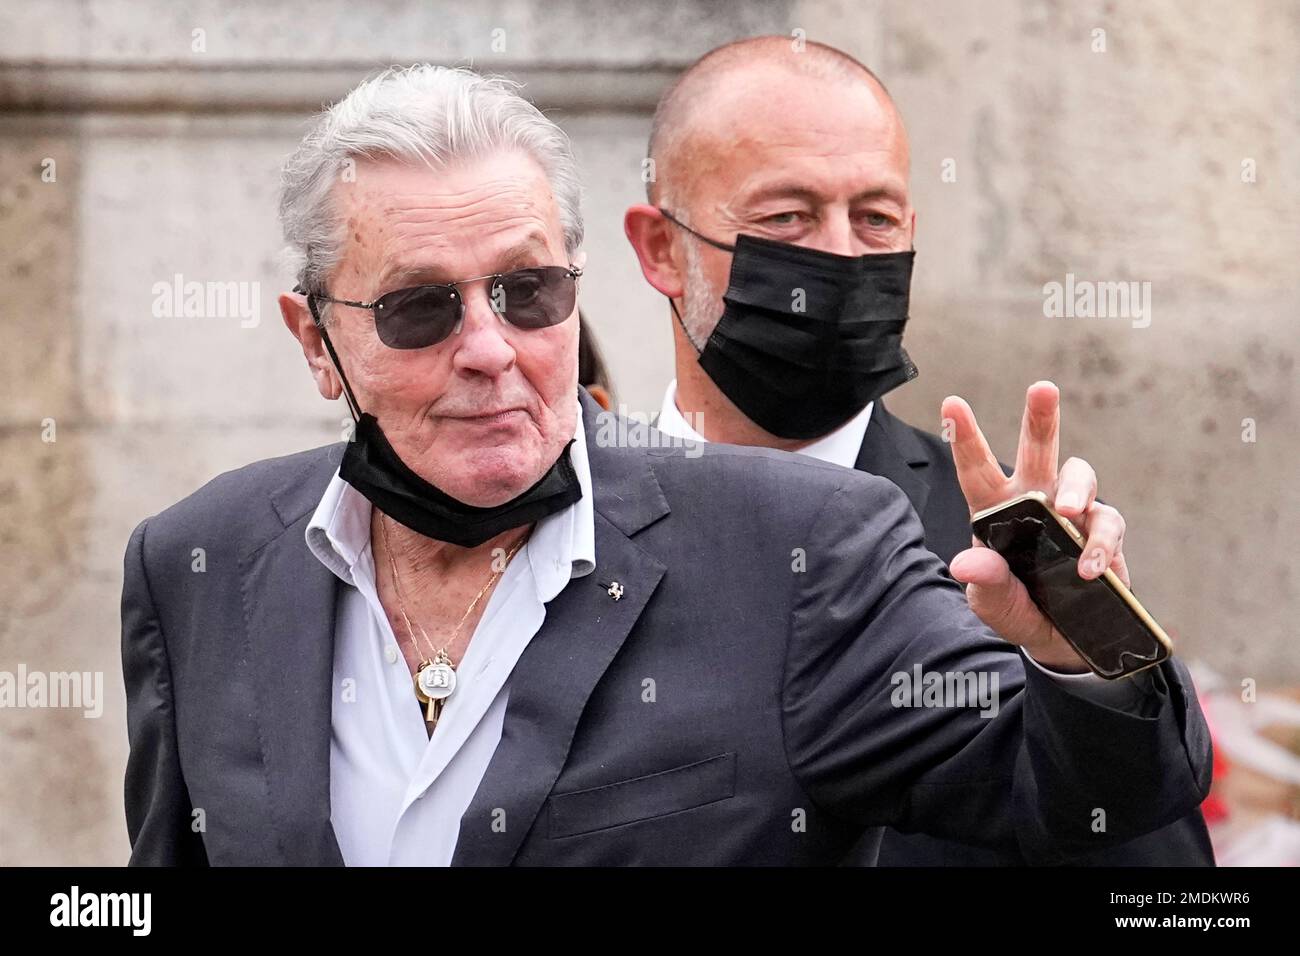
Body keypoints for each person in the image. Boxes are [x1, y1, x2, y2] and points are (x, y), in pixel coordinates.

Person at [122, 64, 1211, 866]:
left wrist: (1085, 644)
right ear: (316, 340)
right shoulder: (202, 561)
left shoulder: (799, 547)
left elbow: (1091, 800)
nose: (490, 346)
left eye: (527, 290)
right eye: (419, 307)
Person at [623, 36, 1213, 865]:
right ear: (660, 249)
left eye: (875, 218)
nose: (838, 254)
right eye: (786, 216)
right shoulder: (585, 539)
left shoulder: (1006, 561)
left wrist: (1085, 657)